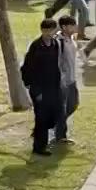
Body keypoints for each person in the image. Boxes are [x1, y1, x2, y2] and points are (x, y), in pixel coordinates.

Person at [21, 18, 66, 155]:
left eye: (50, 30)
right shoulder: (36, 46)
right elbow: (27, 67)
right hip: (39, 88)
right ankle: (39, 148)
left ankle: (45, 136)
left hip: (53, 86)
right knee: (41, 117)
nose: (47, 33)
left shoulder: (55, 44)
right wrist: (32, 87)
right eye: (45, 30)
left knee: (56, 114)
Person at [55, 15, 83, 141]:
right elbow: (56, 62)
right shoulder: (59, 42)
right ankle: (61, 135)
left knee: (74, 104)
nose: (75, 27)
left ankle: (52, 123)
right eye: (72, 25)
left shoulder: (71, 39)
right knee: (63, 107)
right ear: (64, 27)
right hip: (62, 81)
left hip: (72, 79)